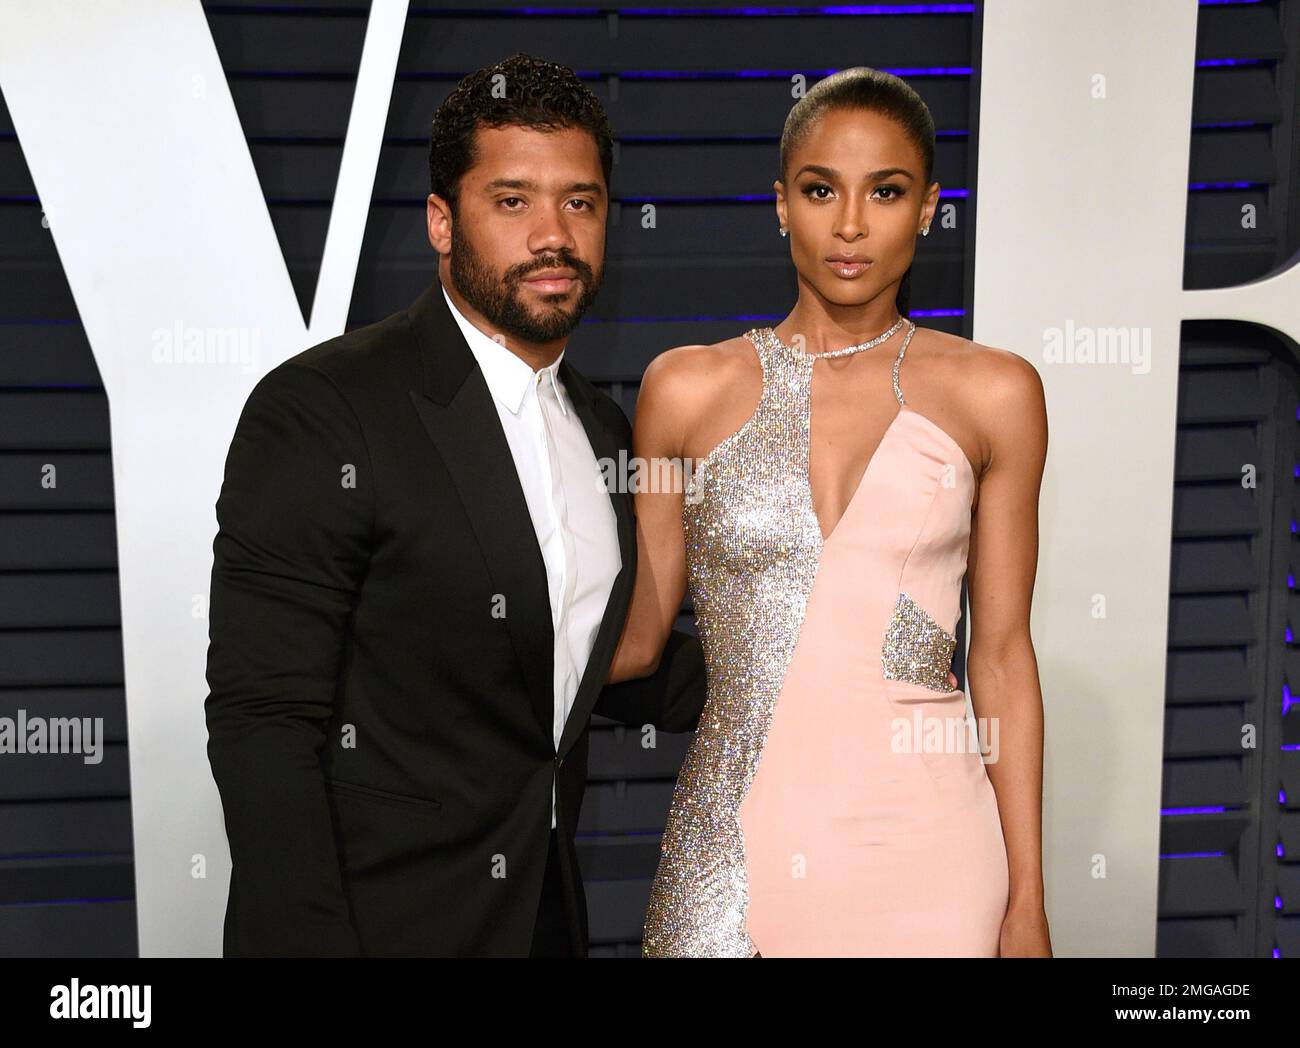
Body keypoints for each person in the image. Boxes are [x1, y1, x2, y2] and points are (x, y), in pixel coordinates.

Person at [204, 53, 707, 958]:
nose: (553, 235)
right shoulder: (326, 408)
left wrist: (818, 674)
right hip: (377, 927)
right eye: (512, 201)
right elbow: (263, 724)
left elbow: (568, 663)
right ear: (443, 221)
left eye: (580, 202)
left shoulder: (601, 427)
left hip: (545, 915)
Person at [608, 67, 1052, 957]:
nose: (850, 225)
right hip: (729, 842)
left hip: (934, 854)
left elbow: (1001, 653)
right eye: (820, 191)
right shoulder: (683, 391)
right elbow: (639, 637)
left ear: (928, 208)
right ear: (781, 204)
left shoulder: (996, 392)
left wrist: (1027, 899)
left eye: (884, 193)